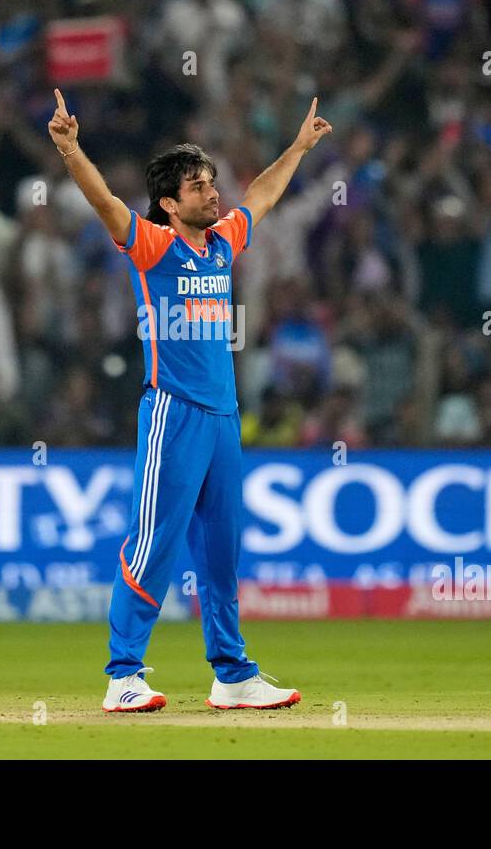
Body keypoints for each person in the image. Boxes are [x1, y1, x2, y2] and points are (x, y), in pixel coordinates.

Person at [48, 87, 331, 713]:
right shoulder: (153, 247)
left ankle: (231, 675)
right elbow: (105, 203)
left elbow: (262, 195)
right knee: (151, 544)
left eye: (211, 181)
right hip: (172, 412)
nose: (214, 191)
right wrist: (71, 150)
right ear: (170, 204)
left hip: (224, 419)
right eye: (199, 186)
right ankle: (123, 676)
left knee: (223, 555)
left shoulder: (223, 243)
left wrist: (299, 146)